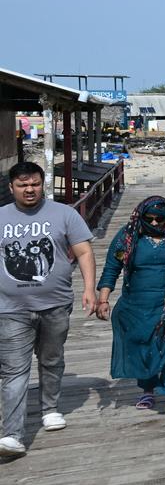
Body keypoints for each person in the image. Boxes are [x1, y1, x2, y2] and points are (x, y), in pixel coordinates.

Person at [0, 162, 97, 458]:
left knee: (52, 359)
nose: (29, 189)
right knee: (14, 371)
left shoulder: (64, 213)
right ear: (11, 188)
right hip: (9, 308)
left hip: (55, 304)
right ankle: (11, 435)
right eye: (22, 185)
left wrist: (89, 289)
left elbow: (83, 251)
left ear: (42, 184)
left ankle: (50, 408)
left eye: (35, 184)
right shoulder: (1, 217)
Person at [96, 196, 165, 424]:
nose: (154, 224)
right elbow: (112, 267)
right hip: (137, 305)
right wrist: (103, 299)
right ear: (141, 216)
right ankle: (147, 389)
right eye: (150, 219)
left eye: (160, 219)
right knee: (143, 347)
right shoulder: (128, 237)